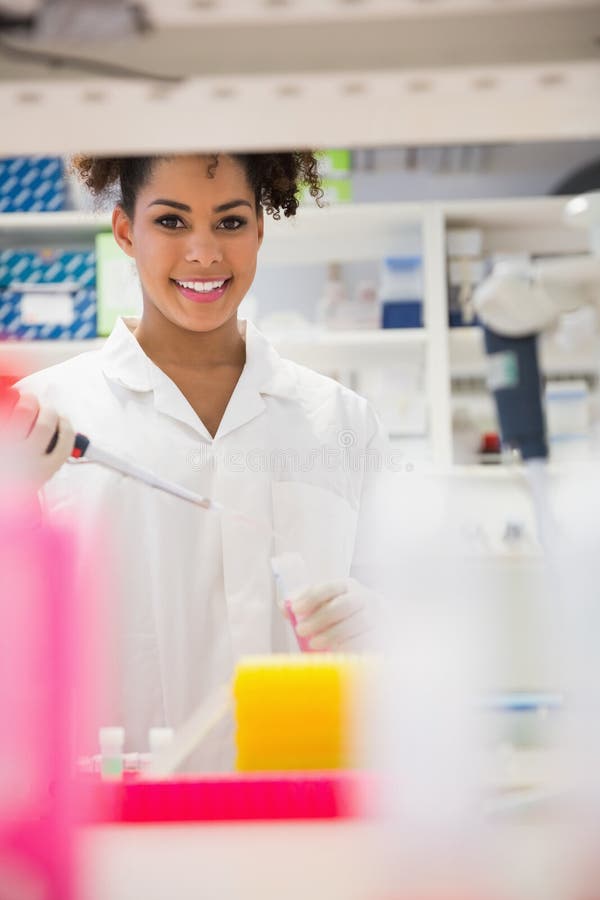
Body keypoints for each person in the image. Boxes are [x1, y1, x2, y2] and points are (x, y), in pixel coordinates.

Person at [10, 151, 386, 769]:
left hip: (297, 799)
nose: (205, 253)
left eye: (230, 222)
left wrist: (382, 624)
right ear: (126, 232)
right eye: (171, 222)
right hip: (121, 804)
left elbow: (410, 631)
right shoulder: (43, 417)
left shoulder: (339, 421)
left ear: (259, 230)